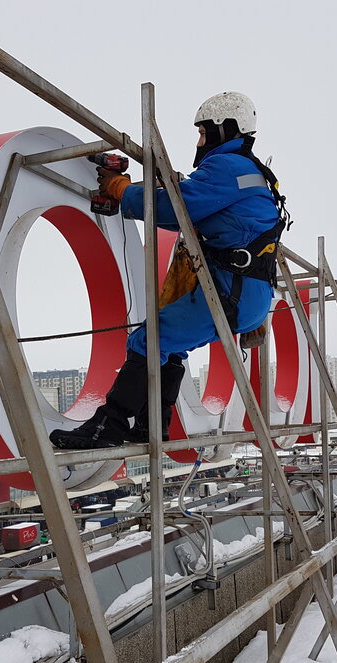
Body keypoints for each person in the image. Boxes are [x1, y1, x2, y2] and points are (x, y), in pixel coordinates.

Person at [50, 91, 289, 450]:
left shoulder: (227, 168)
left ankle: (108, 427)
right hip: (245, 294)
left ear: (224, 129)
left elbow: (177, 208)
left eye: (203, 133)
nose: (199, 141)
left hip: (230, 291)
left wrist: (122, 190)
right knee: (171, 347)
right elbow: (203, 205)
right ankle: (151, 427)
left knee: (148, 340)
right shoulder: (253, 171)